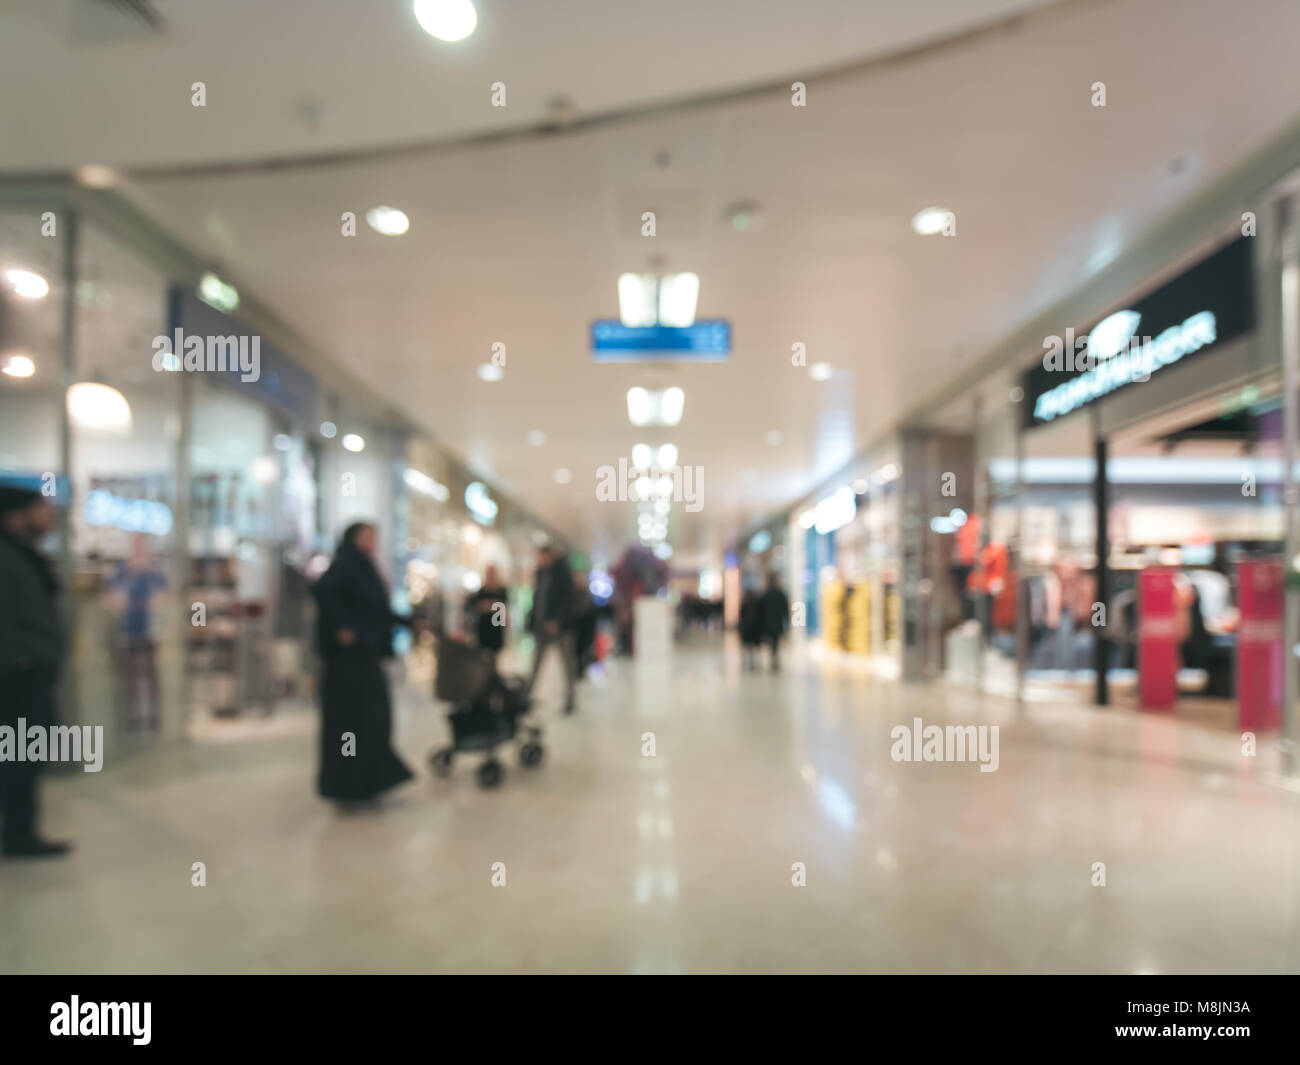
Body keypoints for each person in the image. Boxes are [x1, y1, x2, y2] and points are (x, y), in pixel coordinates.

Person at [312, 522, 413, 805]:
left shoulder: (364, 568)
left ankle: (367, 781)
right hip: (348, 663)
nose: (373, 541)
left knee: (373, 720)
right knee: (351, 724)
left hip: (365, 657)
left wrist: (409, 622)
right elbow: (323, 592)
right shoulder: (346, 565)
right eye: (368, 536)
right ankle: (348, 784)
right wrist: (343, 628)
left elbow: (378, 611)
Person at [0, 486, 71, 858]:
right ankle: (17, 835)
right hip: (15, 681)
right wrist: (24, 661)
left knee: (24, 759)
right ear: (16, 515)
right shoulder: (8, 558)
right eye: (41, 508)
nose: (50, 515)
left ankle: (19, 832)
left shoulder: (22, 555)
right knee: (16, 759)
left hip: (27, 676)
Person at [107, 532, 167, 736]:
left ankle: (153, 718)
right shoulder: (122, 572)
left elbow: (162, 601)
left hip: (150, 633)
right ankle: (132, 719)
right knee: (131, 676)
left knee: (151, 675)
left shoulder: (155, 574)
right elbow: (115, 601)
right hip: (128, 633)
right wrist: (132, 574)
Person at [528, 545, 575, 714]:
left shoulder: (562, 574)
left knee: (567, 664)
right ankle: (527, 695)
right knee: (536, 663)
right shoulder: (540, 574)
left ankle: (570, 699)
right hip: (541, 628)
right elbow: (537, 600)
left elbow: (568, 600)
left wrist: (557, 620)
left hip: (561, 628)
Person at [465, 564, 508, 661]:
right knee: (482, 654)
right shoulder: (481, 591)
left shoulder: (501, 590)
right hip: (484, 624)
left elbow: (504, 607)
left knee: (495, 655)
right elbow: (476, 606)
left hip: (496, 624)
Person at [758, 570, 791, 672]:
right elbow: (785, 610)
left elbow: (760, 611)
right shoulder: (779, 594)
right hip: (777, 623)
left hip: (768, 623)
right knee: (775, 642)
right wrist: (787, 621)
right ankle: (774, 659)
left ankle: (773, 659)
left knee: (772, 642)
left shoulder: (766, 595)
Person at [568, 569, 596, 682]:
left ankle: (580, 671)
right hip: (576, 627)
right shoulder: (572, 592)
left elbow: (585, 611)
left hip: (584, 627)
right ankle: (577, 671)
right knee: (576, 651)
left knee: (581, 650)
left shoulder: (584, 594)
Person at [739, 583, 763, 671]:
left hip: (748, 629)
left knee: (749, 647)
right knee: (755, 647)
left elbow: (741, 616)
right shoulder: (757, 604)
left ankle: (750, 662)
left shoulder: (745, 604)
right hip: (754, 629)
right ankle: (754, 663)